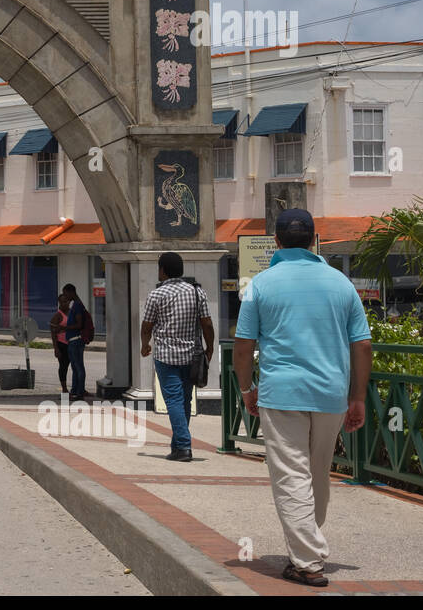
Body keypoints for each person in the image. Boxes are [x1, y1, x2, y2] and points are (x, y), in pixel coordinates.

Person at [233, 209, 371, 588]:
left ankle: (308, 561)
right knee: (317, 473)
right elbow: (362, 345)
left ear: (276, 242)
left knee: (292, 475)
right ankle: (309, 544)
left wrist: (247, 391)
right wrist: (357, 398)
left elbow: (243, 348)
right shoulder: (341, 283)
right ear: (314, 241)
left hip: (281, 393)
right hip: (331, 396)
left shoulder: (261, 284)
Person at [140, 252, 215, 462]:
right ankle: (176, 446)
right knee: (185, 400)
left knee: (173, 399)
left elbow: (147, 325)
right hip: (192, 356)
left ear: (162, 270)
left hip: (166, 356)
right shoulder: (196, 292)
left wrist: (145, 344)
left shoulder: (156, 294)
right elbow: (207, 323)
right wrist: (209, 347)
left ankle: (183, 447)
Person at [61, 283, 90, 402]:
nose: (64, 296)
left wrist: (64, 328)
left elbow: (79, 324)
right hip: (74, 340)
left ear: (71, 292)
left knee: (78, 367)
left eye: (65, 293)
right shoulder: (77, 304)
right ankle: (75, 390)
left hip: (76, 340)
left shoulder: (77, 305)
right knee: (75, 366)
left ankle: (80, 392)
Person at [49, 293, 71, 394]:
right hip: (62, 344)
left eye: (65, 301)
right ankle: (64, 388)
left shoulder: (72, 313)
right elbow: (53, 333)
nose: (63, 304)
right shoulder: (58, 315)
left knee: (76, 367)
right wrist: (56, 349)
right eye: (61, 302)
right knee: (63, 366)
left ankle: (78, 388)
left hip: (73, 344)